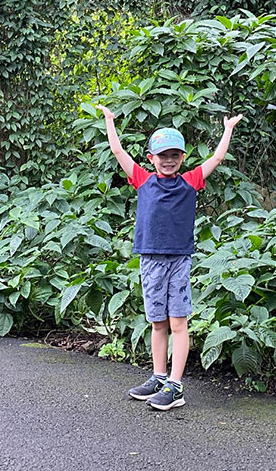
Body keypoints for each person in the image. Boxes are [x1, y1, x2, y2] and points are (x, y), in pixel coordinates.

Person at [98, 105, 243, 411]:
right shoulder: (141, 179)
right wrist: (110, 121)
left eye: (174, 155)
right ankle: (158, 376)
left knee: (178, 323)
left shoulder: (190, 181)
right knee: (157, 323)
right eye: (162, 156)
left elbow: (216, 158)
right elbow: (117, 150)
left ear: (182, 158)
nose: (168, 161)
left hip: (178, 260)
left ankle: (175, 386)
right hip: (150, 260)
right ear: (151, 159)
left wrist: (227, 130)